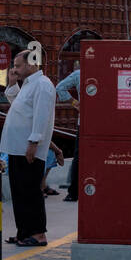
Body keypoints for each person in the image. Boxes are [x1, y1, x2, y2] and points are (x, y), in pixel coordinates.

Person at [0, 50, 56, 247]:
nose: (14, 69)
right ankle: (24, 232)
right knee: (19, 192)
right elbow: (18, 106)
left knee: (30, 191)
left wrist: (34, 142)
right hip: (16, 148)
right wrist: (12, 84)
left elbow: (41, 117)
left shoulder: (43, 85)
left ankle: (38, 233)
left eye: (18, 65)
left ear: (31, 64)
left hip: (28, 149)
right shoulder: (29, 84)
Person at [56, 66, 82, 201]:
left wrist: (75, 103)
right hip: (102, 122)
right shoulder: (107, 71)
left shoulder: (79, 73)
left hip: (83, 122)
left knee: (78, 158)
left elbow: (60, 87)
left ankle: (73, 193)